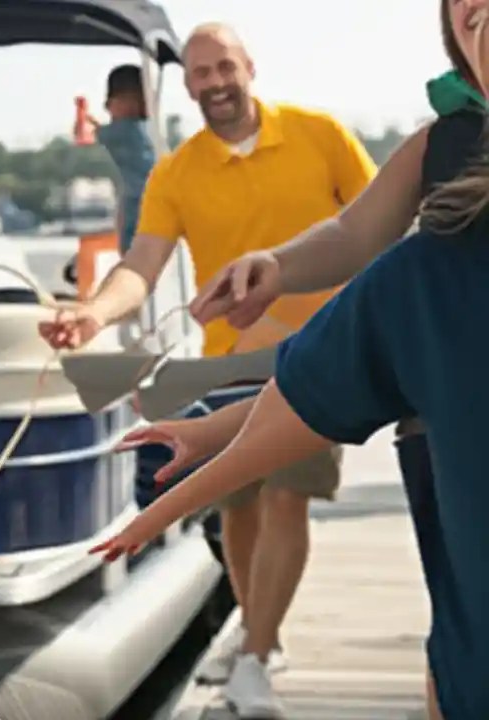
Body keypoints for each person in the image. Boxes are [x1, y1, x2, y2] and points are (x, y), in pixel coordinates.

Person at [37, 22, 378, 715]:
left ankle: (255, 655)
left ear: (249, 66)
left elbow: (376, 226)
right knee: (239, 512)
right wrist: (94, 314)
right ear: (185, 84)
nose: (214, 83)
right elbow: (141, 265)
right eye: (199, 74)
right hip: (226, 366)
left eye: (224, 67)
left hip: (317, 356)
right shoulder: (177, 171)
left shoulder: (322, 135)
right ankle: (259, 632)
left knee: (288, 495)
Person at [157, 3, 487, 717]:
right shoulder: (442, 142)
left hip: (337, 370)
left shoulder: (321, 134)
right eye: (465, 12)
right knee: (459, 629)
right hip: (442, 427)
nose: (475, 19)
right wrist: (273, 265)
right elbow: (356, 231)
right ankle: (261, 644)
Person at [80, 64, 157, 254]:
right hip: (152, 196)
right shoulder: (146, 129)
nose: (108, 111)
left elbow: (88, 135)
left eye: (109, 104)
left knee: (130, 247)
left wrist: (82, 115)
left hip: (139, 199)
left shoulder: (124, 131)